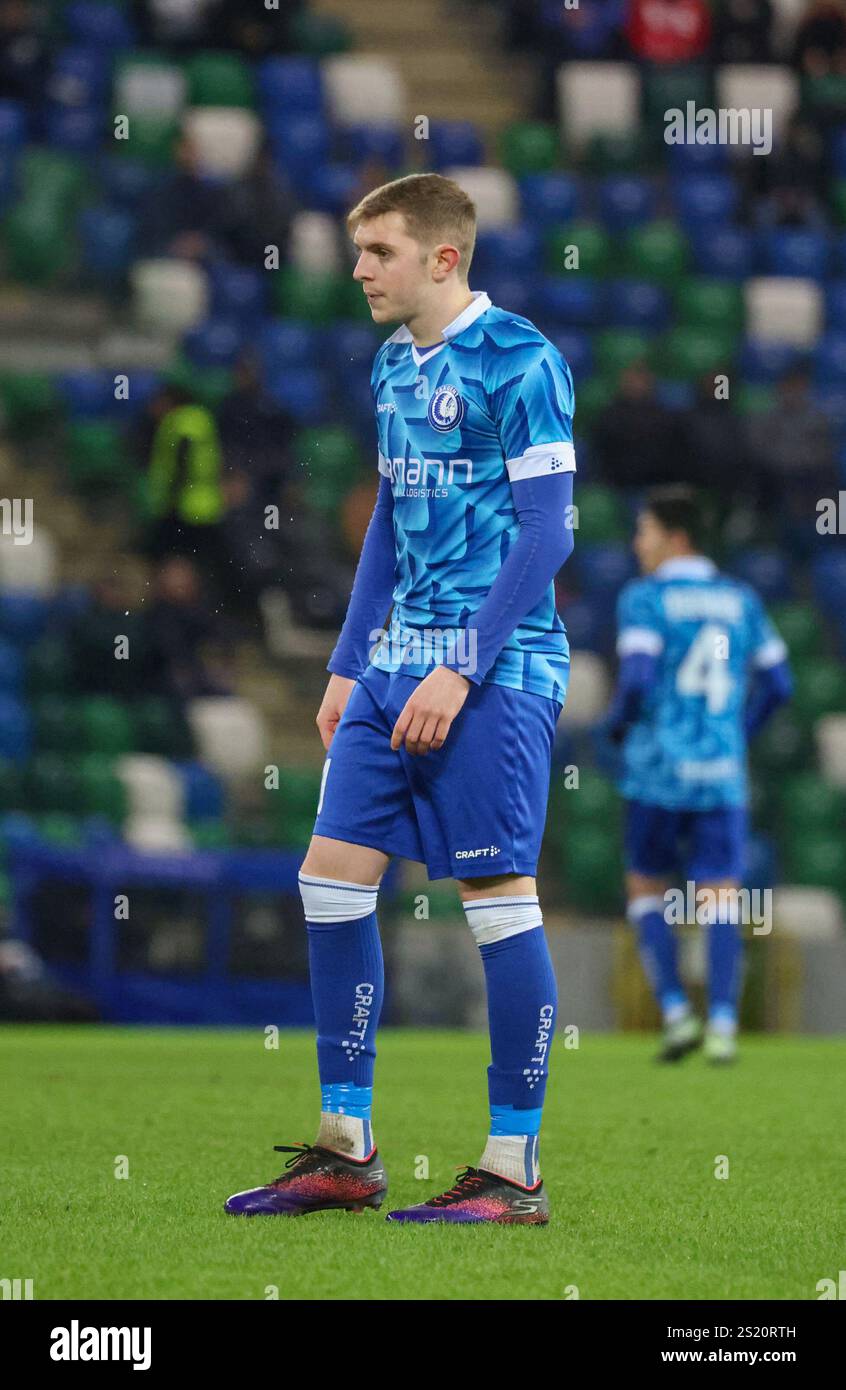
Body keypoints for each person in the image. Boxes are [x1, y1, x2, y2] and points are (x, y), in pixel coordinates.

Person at [225, 172, 577, 1225]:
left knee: (497, 904)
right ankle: (347, 1146)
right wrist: (345, 662)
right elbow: (386, 517)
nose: (361, 270)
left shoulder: (522, 359)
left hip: (496, 668)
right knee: (329, 882)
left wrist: (461, 664)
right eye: (358, 251)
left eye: (379, 251)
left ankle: (513, 1168)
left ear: (444, 257)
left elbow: (546, 532)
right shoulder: (390, 366)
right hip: (388, 664)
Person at [595, 487, 792, 1065]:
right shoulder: (740, 599)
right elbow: (780, 684)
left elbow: (635, 679)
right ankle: (725, 1026)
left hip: (658, 769)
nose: (637, 544)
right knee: (720, 897)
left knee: (646, 888)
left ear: (674, 537)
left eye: (645, 532)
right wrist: (739, 734)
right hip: (721, 774)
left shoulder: (645, 598)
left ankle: (678, 1016)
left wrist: (614, 728)